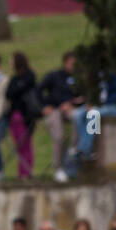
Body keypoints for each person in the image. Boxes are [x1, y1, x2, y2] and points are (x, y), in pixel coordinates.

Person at [39, 51, 83, 182]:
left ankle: (73, 149)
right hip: (54, 110)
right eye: (71, 64)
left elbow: (82, 96)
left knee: (80, 117)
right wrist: (44, 106)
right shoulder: (54, 76)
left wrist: (74, 102)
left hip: (71, 109)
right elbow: (38, 90)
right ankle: (57, 168)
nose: (74, 66)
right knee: (58, 137)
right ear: (65, 63)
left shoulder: (79, 78)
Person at [6, 52, 40, 179]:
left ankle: (26, 172)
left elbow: (16, 91)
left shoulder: (29, 76)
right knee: (19, 145)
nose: (10, 63)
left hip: (26, 115)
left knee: (25, 144)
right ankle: (21, 173)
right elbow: (9, 93)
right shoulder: (14, 78)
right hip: (14, 115)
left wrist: (17, 89)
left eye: (11, 60)